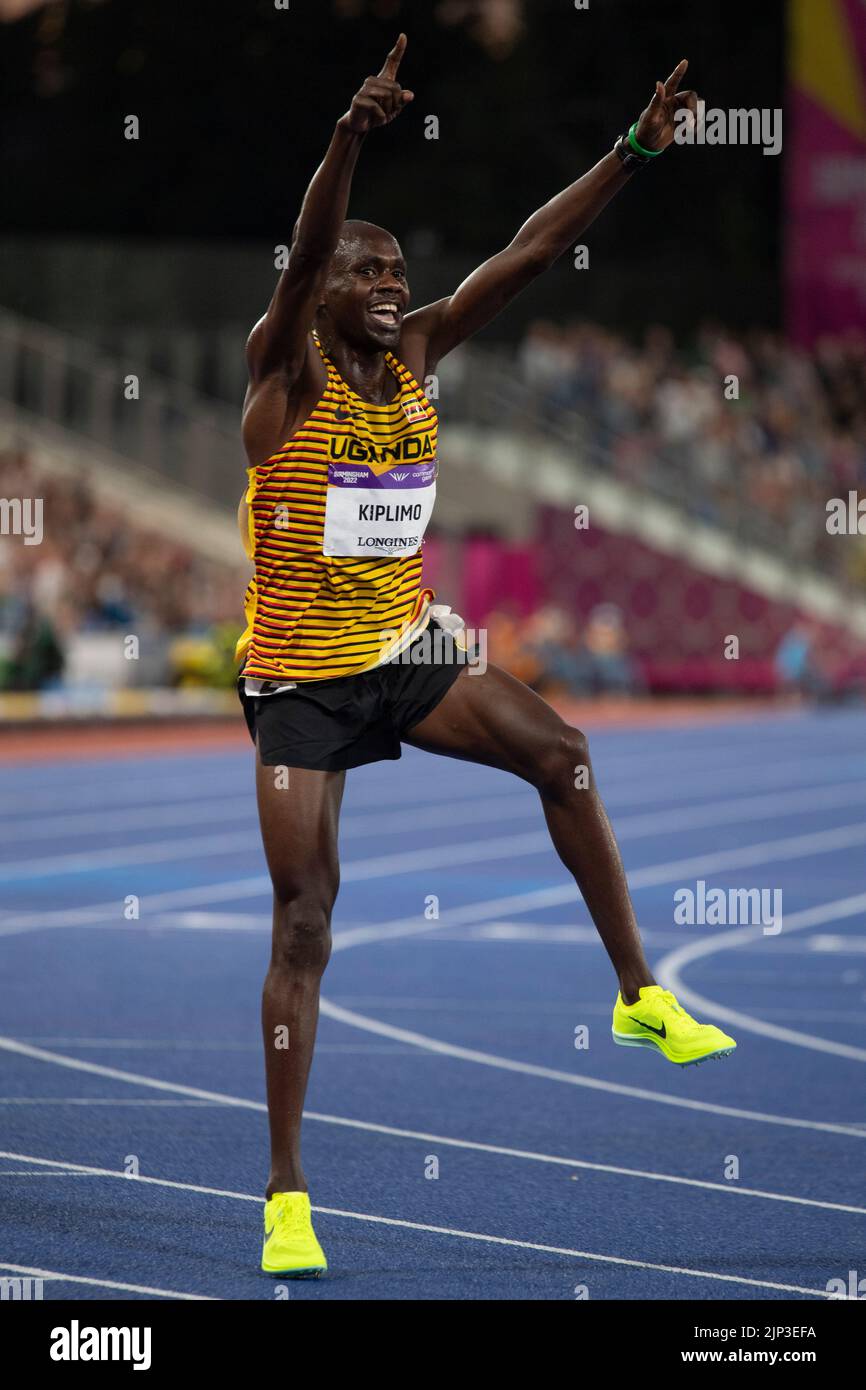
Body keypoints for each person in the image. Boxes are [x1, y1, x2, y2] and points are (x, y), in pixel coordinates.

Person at [235, 34, 736, 1279]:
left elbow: (523, 252)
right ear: (323, 284)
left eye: (400, 269)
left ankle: (637, 996)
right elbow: (304, 255)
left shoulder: (412, 357)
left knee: (561, 754)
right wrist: (348, 138)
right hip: (299, 677)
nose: (393, 286)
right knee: (305, 921)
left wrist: (628, 151)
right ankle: (286, 1195)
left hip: (401, 645)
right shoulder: (284, 368)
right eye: (371, 270)